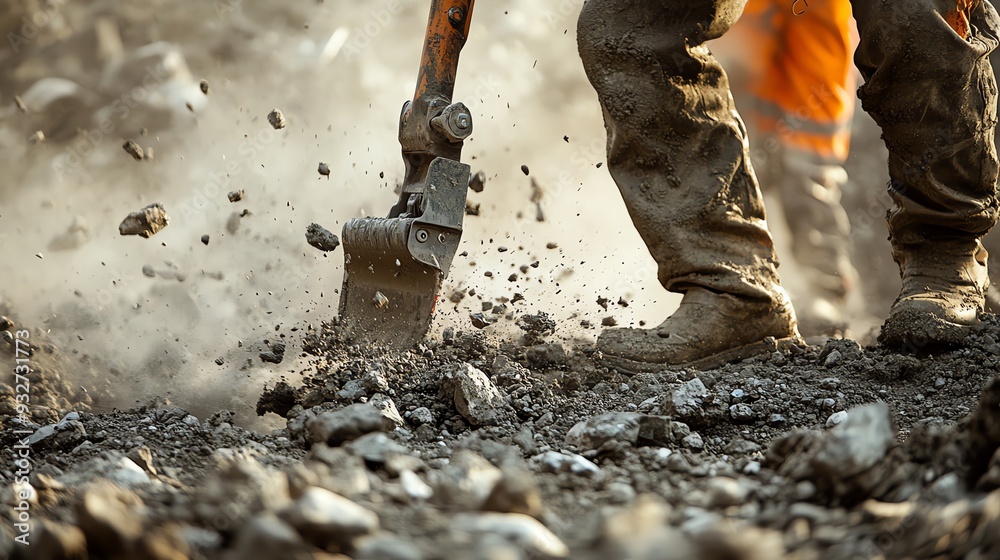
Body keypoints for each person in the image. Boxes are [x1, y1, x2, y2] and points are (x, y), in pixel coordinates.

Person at [577, 0, 999, 373]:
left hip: (805, 104)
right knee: (626, 26)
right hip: (774, 96)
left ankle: (944, 257)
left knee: (916, 19)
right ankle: (733, 290)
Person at [710, 0, 859, 338]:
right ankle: (731, 288)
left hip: (813, 21)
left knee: (807, 164)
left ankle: (822, 288)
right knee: (726, 158)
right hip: (744, 20)